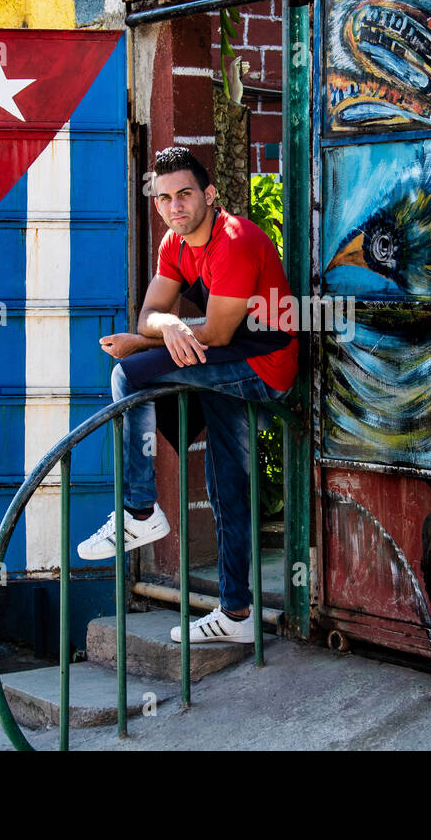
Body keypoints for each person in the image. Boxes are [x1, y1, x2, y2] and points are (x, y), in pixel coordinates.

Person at [76, 146, 298, 644]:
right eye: (165, 198)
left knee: (129, 376)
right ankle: (238, 615)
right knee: (227, 485)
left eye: (185, 194)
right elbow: (151, 313)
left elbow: (217, 333)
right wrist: (166, 326)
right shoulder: (174, 245)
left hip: (264, 363)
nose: (176, 206)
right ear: (156, 203)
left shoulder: (235, 239)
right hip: (223, 363)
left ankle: (139, 511)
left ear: (209, 195)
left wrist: (146, 341)